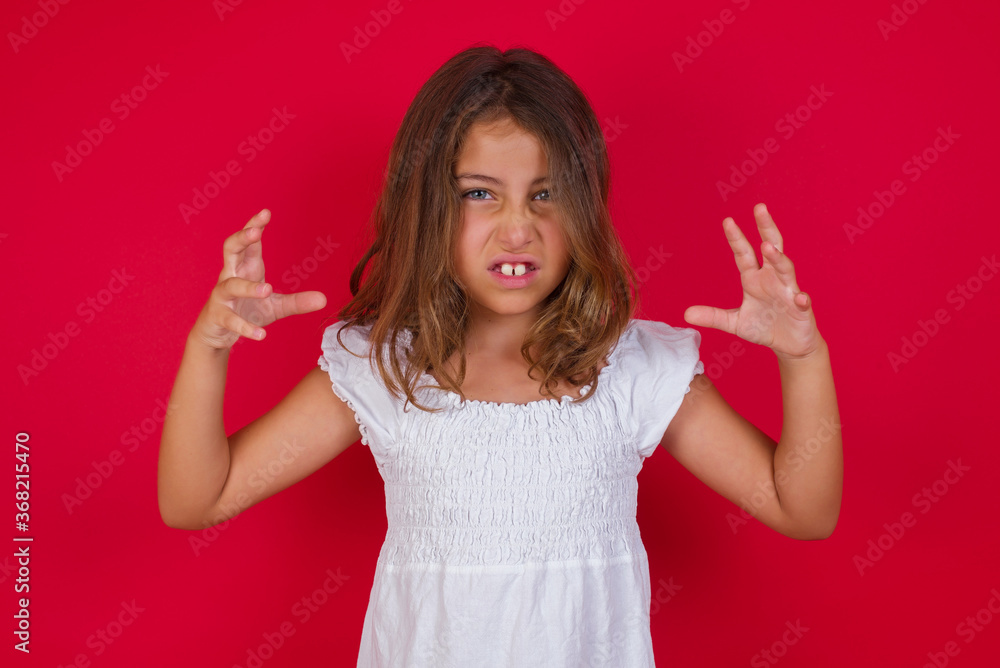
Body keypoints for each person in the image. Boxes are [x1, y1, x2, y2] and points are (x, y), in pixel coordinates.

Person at [158, 44, 842, 666]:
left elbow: (802, 510)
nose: (518, 228)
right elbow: (197, 499)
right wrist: (207, 347)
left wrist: (803, 360)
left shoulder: (633, 370)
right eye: (479, 194)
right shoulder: (381, 370)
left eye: (545, 195)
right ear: (428, 206)